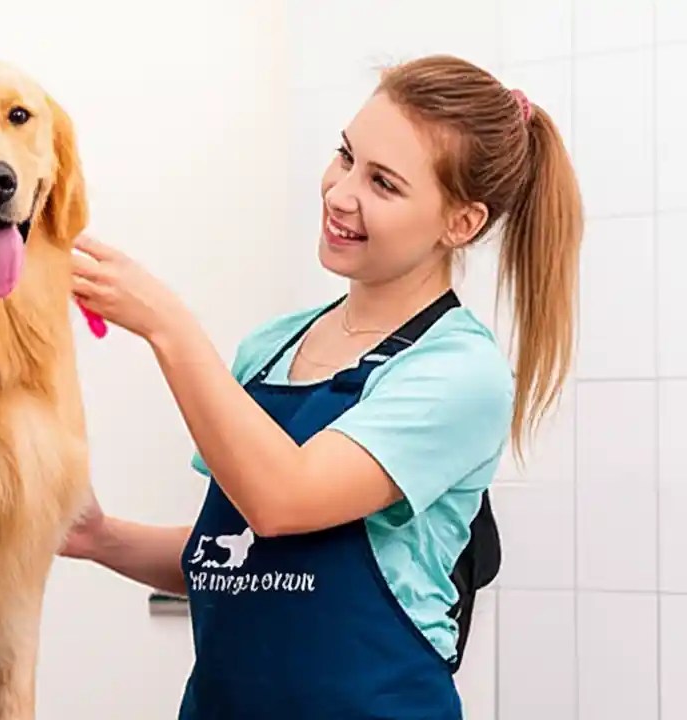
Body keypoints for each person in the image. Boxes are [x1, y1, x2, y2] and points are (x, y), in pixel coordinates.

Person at [62, 53, 582, 719]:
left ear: (462, 223)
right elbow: (237, 558)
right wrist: (98, 536)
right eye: (345, 155)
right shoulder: (271, 347)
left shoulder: (457, 373)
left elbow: (283, 499)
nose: (339, 193)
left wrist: (167, 325)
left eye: (384, 184)